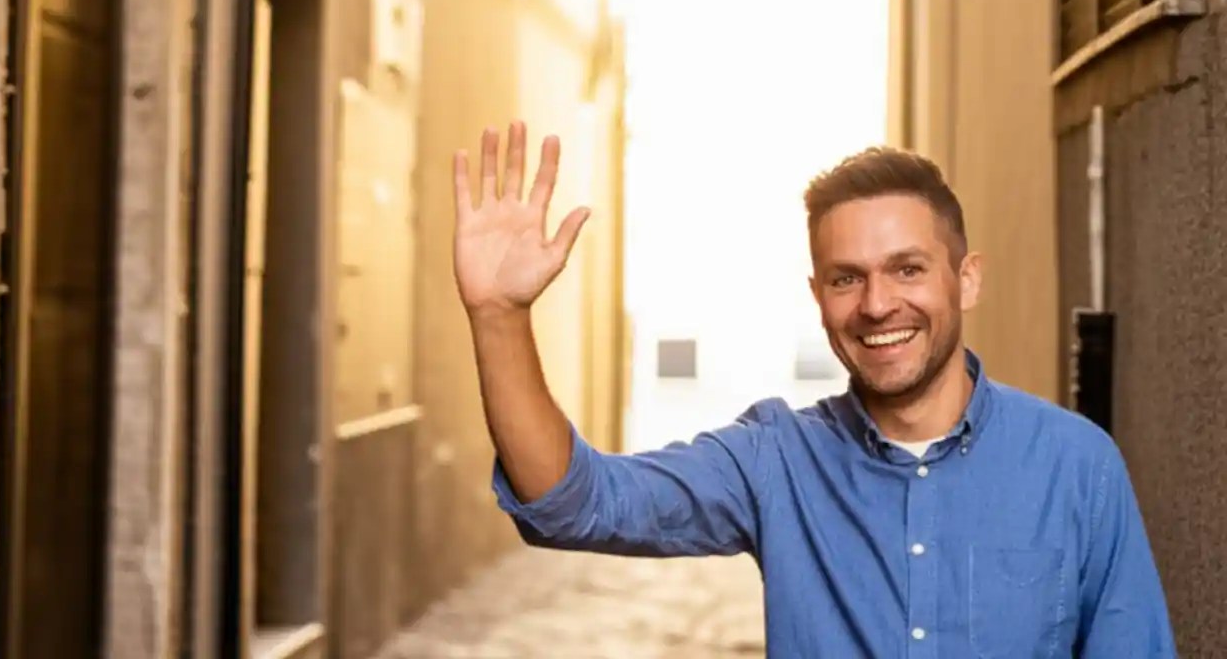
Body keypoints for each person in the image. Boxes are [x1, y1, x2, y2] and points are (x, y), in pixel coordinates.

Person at [451, 121, 1176, 658]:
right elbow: (572, 504)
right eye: (846, 278)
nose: (877, 304)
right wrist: (499, 317)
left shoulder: (1077, 466)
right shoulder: (777, 460)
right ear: (818, 295)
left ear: (968, 278)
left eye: (908, 269)